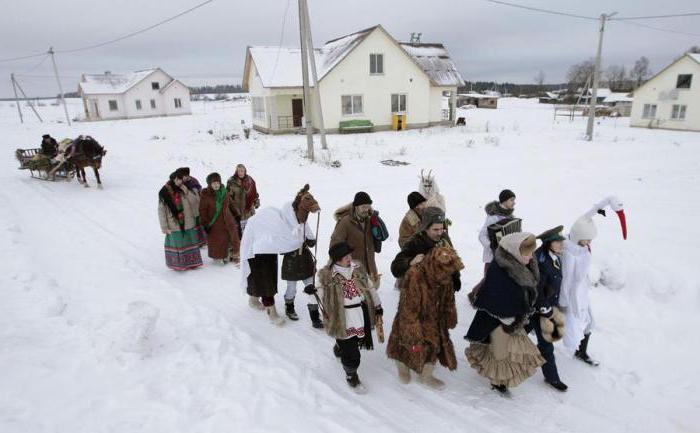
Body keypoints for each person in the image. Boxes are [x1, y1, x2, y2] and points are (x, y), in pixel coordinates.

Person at [465, 232, 545, 397]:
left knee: (507, 352)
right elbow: (495, 296)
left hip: (515, 318)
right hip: (500, 320)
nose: (531, 257)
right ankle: (497, 381)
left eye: (531, 252)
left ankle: (499, 379)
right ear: (515, 251)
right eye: (527, 253)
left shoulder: (524, 263)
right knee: (500, 353)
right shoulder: (501, 269)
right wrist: (506, 316)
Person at [560, 196, 627, 367]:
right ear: (578, 237)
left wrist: (608, 203)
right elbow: (568, 280)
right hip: (571, 297)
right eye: (587, 239)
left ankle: (581, 351)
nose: (590, 243)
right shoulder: (569, 253)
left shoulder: (580, 245)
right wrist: (564, 302)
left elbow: (586, 217)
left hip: (582, 293)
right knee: (563, 328)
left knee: (590, 323)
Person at [386, 245, 463, 389]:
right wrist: (412, 330)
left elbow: (449, 298)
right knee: (407, 344)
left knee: (434, 345)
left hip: (435, 318)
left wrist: (450, 313)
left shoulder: (446, 276)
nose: (448, 274)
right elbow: (408, 307)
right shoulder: (416, 275)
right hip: (414, 317)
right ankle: (403, 367)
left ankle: (426, 375)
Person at [317, 241, 382, 394]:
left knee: (356, 340)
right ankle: (351, 375)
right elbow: (318, 295)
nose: (349, 258)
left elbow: (370, 287)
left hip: (359, 314)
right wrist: (311, 295)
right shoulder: (327, 276)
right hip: (341, 317)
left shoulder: (357, 269)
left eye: (349, 255)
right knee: (353, 353)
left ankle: (340, 346)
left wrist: (378, 305)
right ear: (337, 259)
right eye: (346, 256)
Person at [531, 226, 568, 391]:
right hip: (538, 309)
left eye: (561, 241)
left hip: (547, 306)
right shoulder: (540, 260)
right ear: (548, 243)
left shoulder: (554, 257)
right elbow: (537, 288)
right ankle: (552, 378)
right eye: (557, 242)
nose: (561, 244)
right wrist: (544, 308)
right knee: (546, 343)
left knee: (522, 337)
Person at [391, 207, 460, 292]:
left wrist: (456, 276)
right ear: (426, 228)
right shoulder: (415, 242)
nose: (439, 233)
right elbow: (395, 268)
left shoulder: (443, 236)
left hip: (443, 293)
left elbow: (452, 256)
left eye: (441, 228)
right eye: (435, 229)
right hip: (421, 294)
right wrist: (411, 262)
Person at [330, 192, 381, 288]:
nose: (366, 210)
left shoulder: (371, 220)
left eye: (368, 207)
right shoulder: (345, 222)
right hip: (352, 271)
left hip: (370, 268)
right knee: (356, 299)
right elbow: (335, 246)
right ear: (356, 207)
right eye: (363, 207)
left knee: (371, 297)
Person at [158, 170, 204, 271]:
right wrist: (164, 227)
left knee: (190, 242)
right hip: (174, 224)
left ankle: (193, 263)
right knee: (179, 243)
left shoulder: (186, 188)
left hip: (189, 222)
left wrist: (186, 191)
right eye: (177, 179)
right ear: (173, 179)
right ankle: (179, 265)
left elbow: (196, 202)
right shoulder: (164, 192)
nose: (179, 182)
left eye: (180, 179)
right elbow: (161, 211)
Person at [198, 173, 240, 264]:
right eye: (213, 183)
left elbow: (231, 204)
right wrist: (205, 224)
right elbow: (202, 211)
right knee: (219, 241)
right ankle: (220, 258)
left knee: (232, 238)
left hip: (228, 220)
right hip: (215, 224)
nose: (216, 185)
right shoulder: (206, 196)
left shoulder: (224, 192)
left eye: (217, 182)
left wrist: (236, 215)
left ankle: (233, 255)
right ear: (210, 184)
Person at [227, 164, 259, 235]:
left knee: (251, 228)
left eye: (242, 171)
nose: (240, 173)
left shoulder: (250, 180)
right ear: (236, 171)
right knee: (240, 230)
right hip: (238, 211)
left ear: (245, 171)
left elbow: (254, 193)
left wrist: (256, 202)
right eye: (239, 171)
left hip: (249, 210)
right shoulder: (231, 181)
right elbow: (228, 197)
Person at [178, 167, 206, 247]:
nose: (184, 178)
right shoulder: (179, 183)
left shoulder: (193, 182)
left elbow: (199, 193)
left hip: (196, 207)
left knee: (198, 225)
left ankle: (201, 242)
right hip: (186, 210)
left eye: (185, 176)